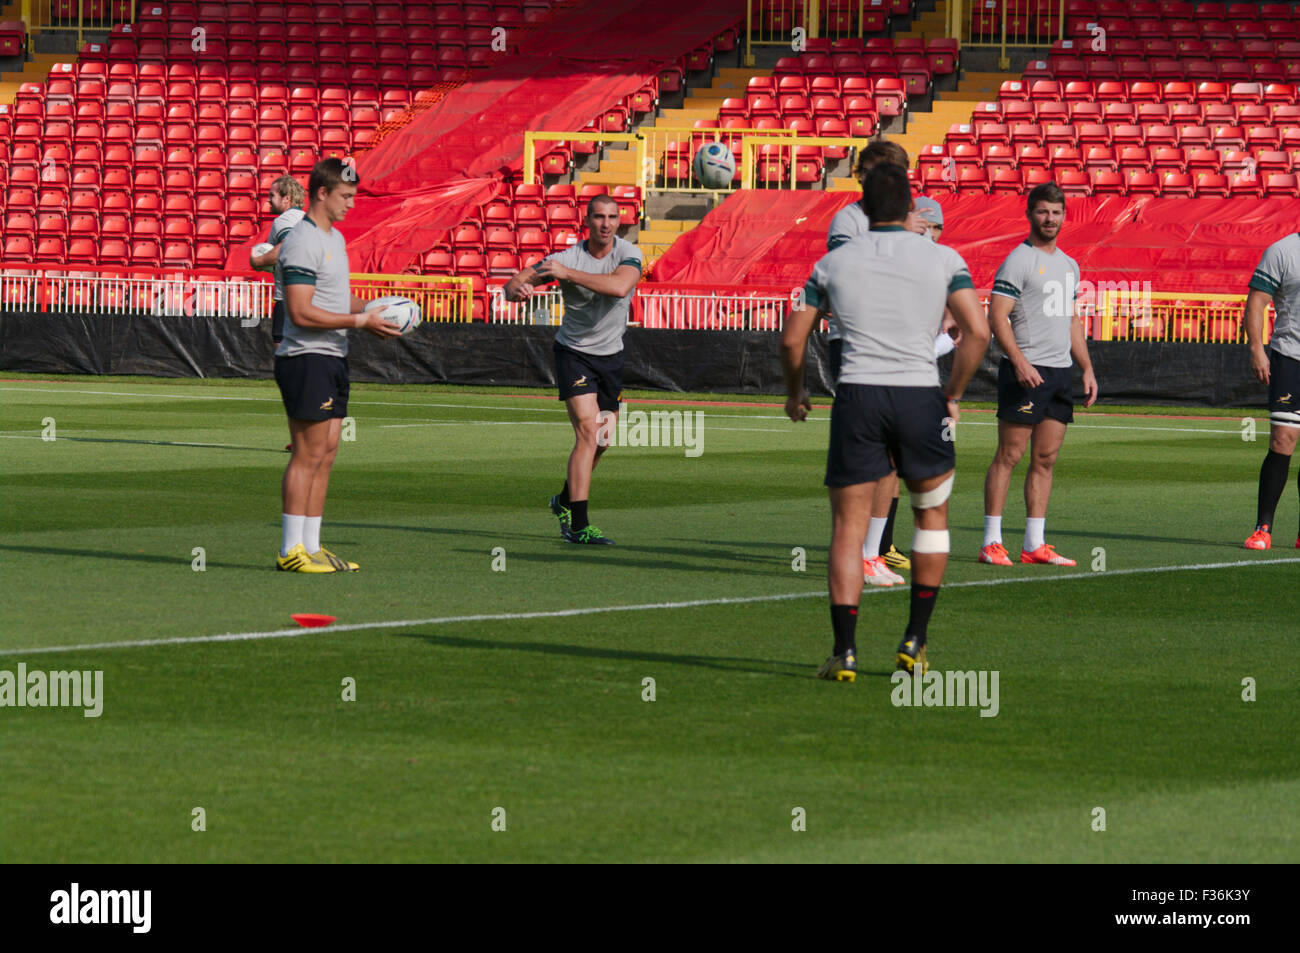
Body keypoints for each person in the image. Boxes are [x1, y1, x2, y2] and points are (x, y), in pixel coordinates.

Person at [782, 163, 991, 681]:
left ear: (865, 207)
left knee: (847, 528)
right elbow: (978, 332)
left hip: (859, 396)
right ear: (911, 209)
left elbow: (792, 338)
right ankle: (915, 640)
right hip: (920, 396)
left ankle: (845, 652)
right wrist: (953, 393)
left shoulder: (834, 262)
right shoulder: (943, 258)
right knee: (931, 518)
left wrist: (796, 392)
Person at [274, 158, 403, 573]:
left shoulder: (334, 238)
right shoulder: (302, 240)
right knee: (307, 454)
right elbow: (300, 311)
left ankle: (311, 546)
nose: (351, 203)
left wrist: (374, 310)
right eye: (345, 196)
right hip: (306, 357)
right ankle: (290, 550)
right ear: (322, 193)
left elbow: (334, 299)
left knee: (326, 453)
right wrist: (360, 322)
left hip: (332, 354)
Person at [503, 194, 643, 545]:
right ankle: (579, 526)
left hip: (611, 356)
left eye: (612, 217)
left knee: (603, 441)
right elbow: (511, 286)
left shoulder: (628, 253)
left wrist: (566, 274)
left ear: (620, 222)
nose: (606, 224)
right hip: (574, 354)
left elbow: (619, 287)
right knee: (588, 432)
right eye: (599, 217)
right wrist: (519, 290)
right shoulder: (565, 257)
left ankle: (564, 501)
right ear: (587, 220)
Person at [979, 182, 1099, 568]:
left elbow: (1071, 320)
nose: (1050, 219)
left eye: (1056, 212)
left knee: (1045, 459)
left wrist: (1086, 368)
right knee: (1009, 455)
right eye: (1043, 211)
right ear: (1030, 213)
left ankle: (1034, 544)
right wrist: (1019, 362)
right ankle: (991, 542)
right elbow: (997, 317)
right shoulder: (1019, 260)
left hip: (1060, 373)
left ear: (1064, 216)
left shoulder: (1069, 265)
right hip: (1026, 372)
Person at [825, 141, 914, 587]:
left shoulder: (907, 221)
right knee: (866, 452)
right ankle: (856, 551)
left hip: (897, 343)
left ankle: (872, 553)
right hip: (858, 343)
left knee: (892, 455)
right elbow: (845, 279)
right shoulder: (849, 220)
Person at [1243, 231, 1300, 549]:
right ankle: (1263, 527)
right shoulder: (1283, 250)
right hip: (1290, 357)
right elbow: (1257, 301)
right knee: (1283, 439)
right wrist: (1256, 348)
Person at [250, 175, 308, 346]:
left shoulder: (285, 220)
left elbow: (288, 247)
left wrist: (258, 261)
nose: (268, 200)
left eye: (272, 195)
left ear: (286, 198)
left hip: (290, 301)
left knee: (285, 355)